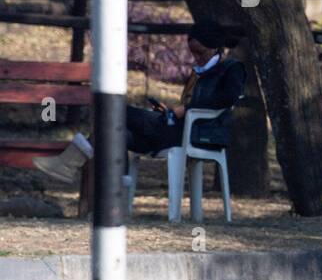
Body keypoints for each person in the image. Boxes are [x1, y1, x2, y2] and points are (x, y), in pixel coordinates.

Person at [33, 23, 246, 183]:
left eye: (200, 52)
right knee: (116, 134)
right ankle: (118, 191)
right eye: (193, 53)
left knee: (116, 110)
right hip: (175, 129)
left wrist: (186, 109)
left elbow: (228, 98)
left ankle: (70, 162)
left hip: (199, 133)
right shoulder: (200, 72)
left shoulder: (231, 68)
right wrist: (171, 110)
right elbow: (190, 103)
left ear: (215, 47)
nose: (196, 57)